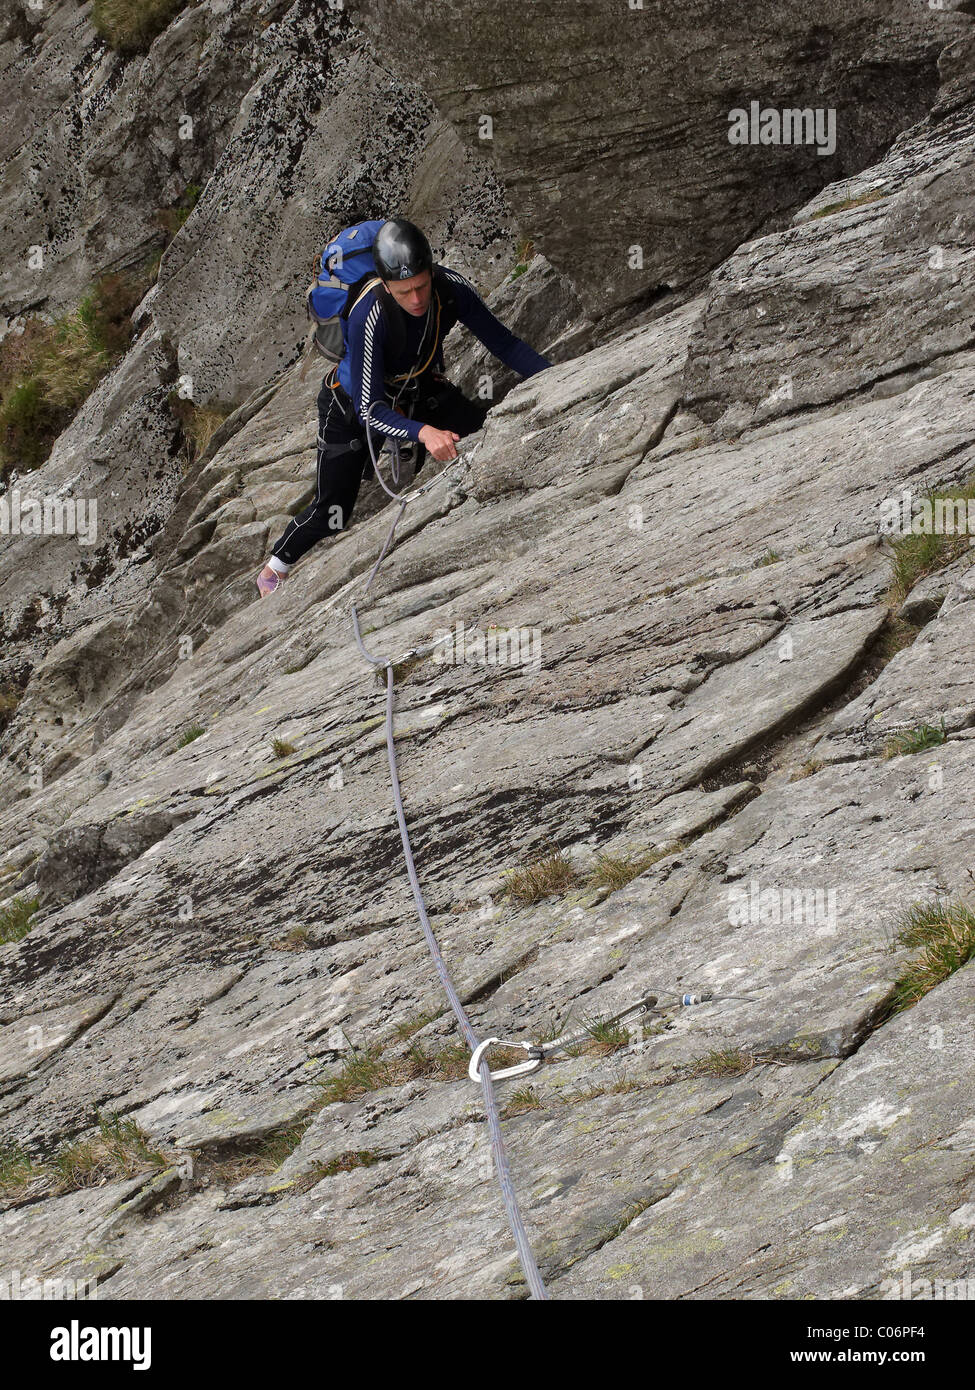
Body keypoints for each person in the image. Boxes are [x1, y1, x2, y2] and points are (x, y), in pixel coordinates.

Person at [257, 218, 552, 595]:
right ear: (385, 284)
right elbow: (370, 411)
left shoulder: (451, 289)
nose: (416, 299)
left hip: (417, 389)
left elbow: (506, 344)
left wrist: (556, 378)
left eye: (422, 286)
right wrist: (424, 433)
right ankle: (274, 569)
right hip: (350, 408)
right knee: (333, 513)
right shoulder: (371, 313)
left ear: (432, 271)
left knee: (481, 428)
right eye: (404, 291)